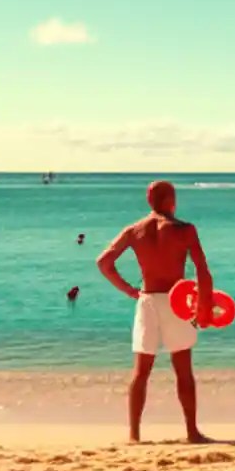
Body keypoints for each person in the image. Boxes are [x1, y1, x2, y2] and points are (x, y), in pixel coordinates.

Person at [96, 180, 213, 444]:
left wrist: (129, 290)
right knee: (183, 370)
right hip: (177, 302)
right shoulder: (185, 230)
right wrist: (204, 308)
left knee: (141, 372)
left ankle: (134, 435)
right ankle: (192, 432)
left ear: (149, 201)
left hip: (147, 301)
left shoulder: (134, 230)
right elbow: (202, 271)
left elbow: (104, 263)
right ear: (172, 200)